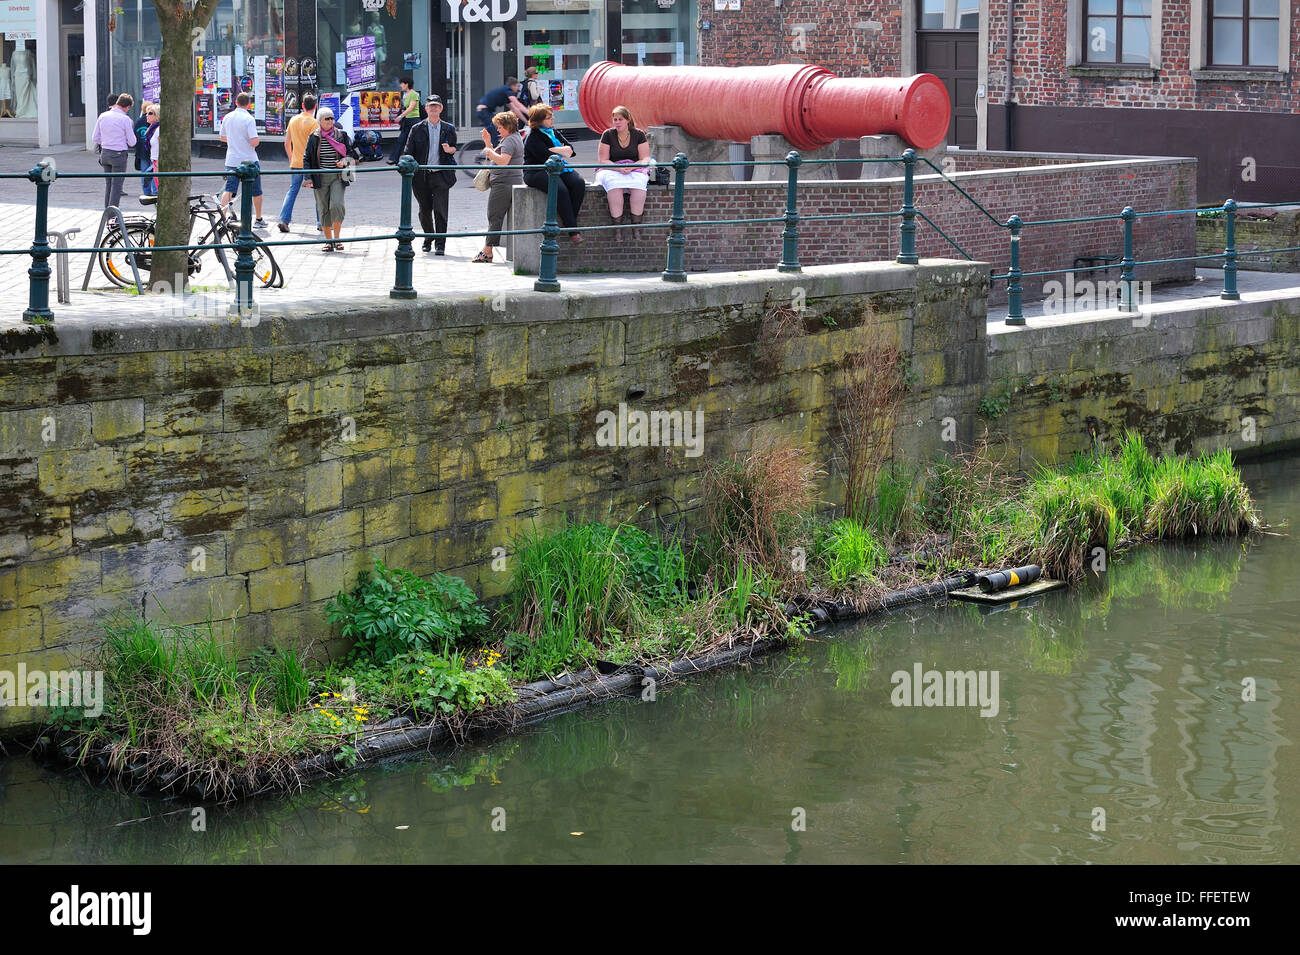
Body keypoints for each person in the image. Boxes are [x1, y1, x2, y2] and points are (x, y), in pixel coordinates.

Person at [402, 94, 458, 255]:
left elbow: (454, 148)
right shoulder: (417, 128)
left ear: (441, 109)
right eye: (430, 106)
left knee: (440, 210)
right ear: (426, 109)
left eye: (436, 106)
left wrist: (450, 150)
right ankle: (429, 237)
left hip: (441, 175)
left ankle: (440, 244)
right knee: (424, 210)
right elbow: (408, 152)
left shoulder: (448, 128)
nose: (433, 108)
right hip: (421, 176)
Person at [523, 103, 585, 244]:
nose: (552, 120)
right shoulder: (533, 136)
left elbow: (572, 151)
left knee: (579, 183)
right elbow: (545, 155)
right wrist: (561, 150)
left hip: (558, 167)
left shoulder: (553, 131)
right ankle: (573, 231)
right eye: (548, 118)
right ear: (539, 121)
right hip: (536, 171)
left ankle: (568, 221)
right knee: (560, 190)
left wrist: (555, 149)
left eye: (552, 117)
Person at [301, 107, 360, 253]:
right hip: (320, 178)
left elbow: (355, 155)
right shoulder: (314, 137)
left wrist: (344, 161)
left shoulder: (341, 135)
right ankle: (328, 241)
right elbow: (307, 158)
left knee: (337, 205)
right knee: (323, 208)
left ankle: (337, 239)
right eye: (327, 118)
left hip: (338, 177)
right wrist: (308, 178)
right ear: (319, 121)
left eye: (332, 118)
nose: (330, 121)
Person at [473, 112, 524, 264]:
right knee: (495, 215)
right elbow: (498, 156)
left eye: (500, 127)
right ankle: (487, 249)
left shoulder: (509, 141)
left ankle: (487, 251)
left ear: (508, 126)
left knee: (494, 215)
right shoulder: (513, 138)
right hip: (507, 181)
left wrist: (488, 151)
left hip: (504, 183)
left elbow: (502, 161)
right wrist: (488, 143)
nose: (498, 130)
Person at [594, 105, 651, 226]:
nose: (617, 122)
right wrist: (618, 168)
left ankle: (636, 227)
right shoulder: (608, 134)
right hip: (612, 168)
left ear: (627, 120)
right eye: (615, 119)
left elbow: (645, 158)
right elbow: (603, 160)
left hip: (634, 167)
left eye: (620, 119)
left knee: (639, 186)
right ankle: (617, 229)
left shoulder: (639, 134)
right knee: (614, 187)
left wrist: (632, 167)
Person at [219, 92, 267, 230]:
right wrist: (254, 141)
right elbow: (254, 141)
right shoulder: (249, 119)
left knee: (229, 189)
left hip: (232, 159)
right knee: (256, 190)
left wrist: (235, 140)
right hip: (249, 160)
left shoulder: (227, 117)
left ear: (236, 103)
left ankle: (222, 218)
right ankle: (258, 218)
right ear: (249, 104)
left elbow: (222, 138)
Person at [277, 93, 321, 233]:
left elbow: (286, 143)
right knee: (318, 192)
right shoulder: (314, 123)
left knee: (292, 191)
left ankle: (284, 219)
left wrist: (291, 158)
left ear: (302, 105)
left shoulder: (293, 120)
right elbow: (315, 146)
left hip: (296, 162)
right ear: (315, 107)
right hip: (311, 163)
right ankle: (321, 222)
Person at [91, 93, 136, 209]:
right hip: (118, 154)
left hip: (105, 153)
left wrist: (106, 141)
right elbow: (132, 142)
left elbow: (95, 137)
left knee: (109, 185)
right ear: (127, 107)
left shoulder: (103, 116)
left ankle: (107, 211)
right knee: (116, 187)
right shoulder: (125, 119)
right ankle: (112, 215)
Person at [476, 77, 523, 145]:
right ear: (512, 85)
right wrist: (530, 113)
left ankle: (494, 148)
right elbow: (518, 105)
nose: (518, 89)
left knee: (499, 127)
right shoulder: (507, 90)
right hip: (484, 111)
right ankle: (495, 150)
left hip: (484, 111)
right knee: (495, 130)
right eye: (517, 86)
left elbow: (515, 110)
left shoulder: (505, 94)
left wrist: (526, 121)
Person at [387, 77, 421, 164]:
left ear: (406, 84)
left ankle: (420, 159)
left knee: (416, 140)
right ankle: (394, 159)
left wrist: (400, 116)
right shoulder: (405, 95)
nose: (400, 85)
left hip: (414, 120)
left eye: (402, 83)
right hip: (407, 120)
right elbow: (406, 107)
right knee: (401, 140)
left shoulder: (414, 94)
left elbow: (411, 107)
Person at [134, 103, 156, 197]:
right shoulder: (152, 121)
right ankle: (155, 191)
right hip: (151, 151)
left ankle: (146, 191)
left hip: (141, 150)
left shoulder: (138, 121)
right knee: (155, 171)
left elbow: (135, 135)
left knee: (145, 172)